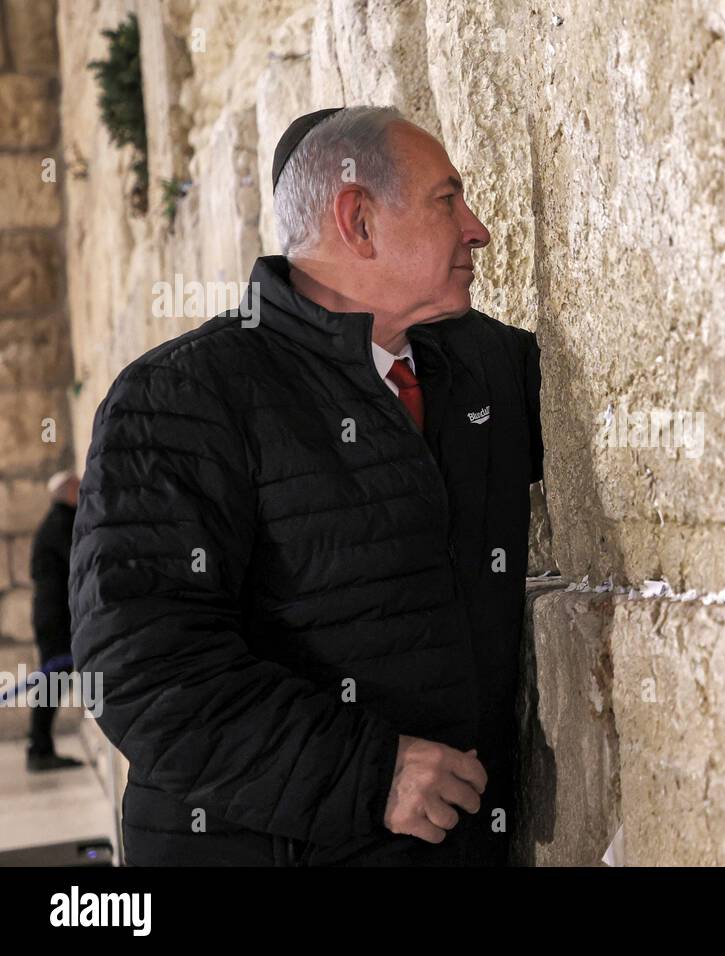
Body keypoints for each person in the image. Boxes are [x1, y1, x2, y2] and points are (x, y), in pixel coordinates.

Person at [70, 106, 543, 865]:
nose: (477, 228)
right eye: (447, 201)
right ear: (357, 220)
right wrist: (369, 774)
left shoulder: (480, 368)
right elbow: (140, 670)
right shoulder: (181, 396)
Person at [27, 470, 86, 772]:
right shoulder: (61, 523)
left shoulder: (58, 522)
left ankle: (40, 747)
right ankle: (39, 749)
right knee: (53, 680)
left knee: (54, 680)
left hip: (51, 616)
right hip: (55, 618)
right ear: (69, 493)